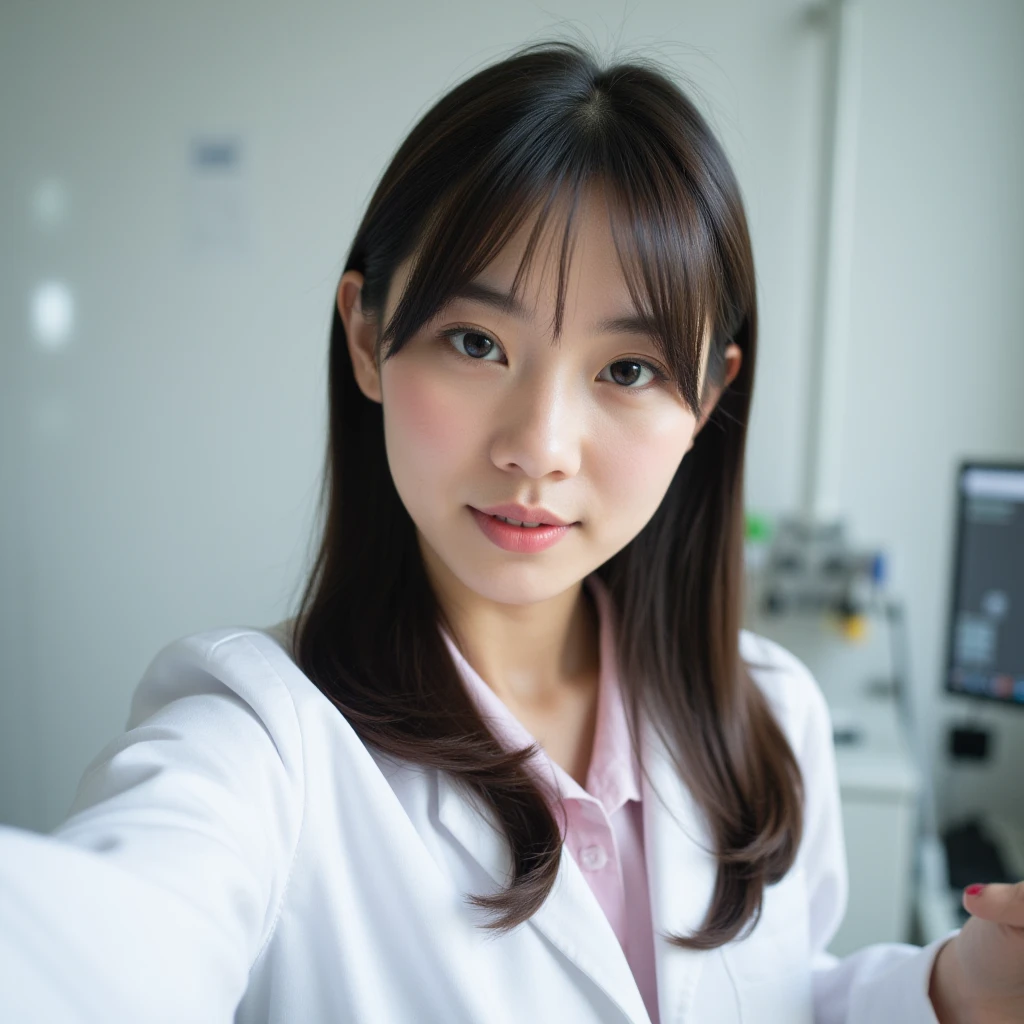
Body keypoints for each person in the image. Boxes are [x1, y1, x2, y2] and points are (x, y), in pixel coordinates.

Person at [0, 38, 1021, 1024]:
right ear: (366, 336)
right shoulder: (260, 747)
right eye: (476, 341)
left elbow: (787, 991)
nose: (538, 447)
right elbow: (112, 937)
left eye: (628, 370)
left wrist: (952, 992)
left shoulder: (767, 719)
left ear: (711, 394)